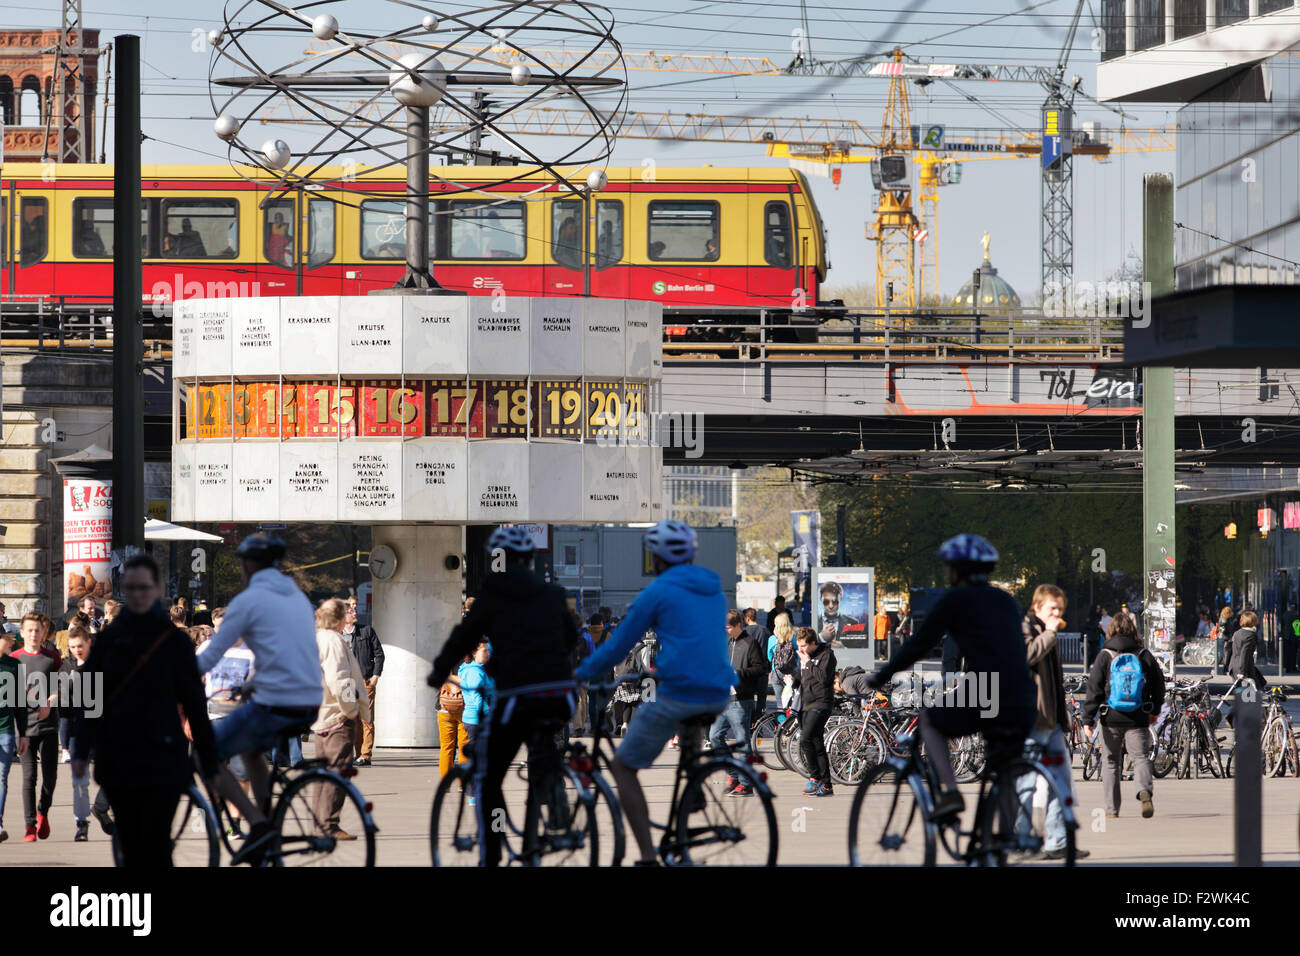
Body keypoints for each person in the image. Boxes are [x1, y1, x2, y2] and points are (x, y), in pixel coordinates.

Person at [574, 520, 734, 866]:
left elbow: (619, 646)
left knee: (622, 766)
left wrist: (582, 673)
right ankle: (693, 789)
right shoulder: (714, 590)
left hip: (682, 692)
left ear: (656, 559)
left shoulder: (657, 593)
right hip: (718, 691)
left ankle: (648, 856)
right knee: (690, 731)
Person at [427, 526, 580, 867]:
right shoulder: (553, 593)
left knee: (490, 774)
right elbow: (571, 639)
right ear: (529, 558)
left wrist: (439, 672)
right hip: (558, 695)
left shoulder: (494, 594)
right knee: (542, 752)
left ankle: (493, 852)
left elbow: (463, 637)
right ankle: (552, 809)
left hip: (518, 697)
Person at [866, 534, 1037, 822]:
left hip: (985, 687)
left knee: (930, 722)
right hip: (1022, 694)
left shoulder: (954, 600)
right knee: (1004, 767)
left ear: (956, 570)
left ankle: (950, 791)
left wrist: (881, 675)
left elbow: (918, 644)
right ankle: (1008, 837)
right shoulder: (1005, 601)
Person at [71, 554, 219, 867]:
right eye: (132, 587)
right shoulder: (109, 639)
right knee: (130, 839)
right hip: (120, 756)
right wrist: (81, 749)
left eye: (144, 587)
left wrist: (208, 757)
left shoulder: (174, 642)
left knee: (156, 841)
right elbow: (92, 696)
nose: (138, 593)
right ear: (125, 589)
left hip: (162, 756)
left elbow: (194, 702)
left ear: (156, 589)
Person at [193, 534, 323, 866]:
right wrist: (253, 682)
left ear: (248, 565)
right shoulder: (297, 597)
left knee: (205, 754)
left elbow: (210, 657)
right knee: (251, 751)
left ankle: (257, 823)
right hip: (308, 701)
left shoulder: (248, 601)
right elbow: (286, 652)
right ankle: (264, 826)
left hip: (275, 702)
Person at [1021, 584, 1088, 860]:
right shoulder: (1026, 627)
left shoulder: (1048, 632)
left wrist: (1063, 719)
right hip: (1030, 718)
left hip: (1050, 720)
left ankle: (1057, 840)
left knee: (1060, 780)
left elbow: (1055, 684)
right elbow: (1025, 656)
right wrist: (1049, 632)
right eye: (1052, 608)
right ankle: (1020, 838)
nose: (1057, 613)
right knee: (1025, 782)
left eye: (1060, 609)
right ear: (1037, 606)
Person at [1083, 610, 1165, 820]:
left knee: (1110, 761)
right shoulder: (1142, 654)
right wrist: (1154, 710)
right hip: (1137, 716)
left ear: (1110, 631)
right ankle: (1144, 791)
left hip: (1110, 717)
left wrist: (1088, 719)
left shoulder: (1105, 655)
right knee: (1140, 757)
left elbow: (1094, 688)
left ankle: (1111, 809)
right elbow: (1158, 684)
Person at [312, 598, 370, 839]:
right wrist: (351, 709)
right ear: (338, 618)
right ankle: (329, 824)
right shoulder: (334, 641)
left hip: (321, 714)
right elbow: (341, 679)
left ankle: (320, 823)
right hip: (337, 715)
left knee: (323, 773)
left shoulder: (317, 638)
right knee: (337, 772)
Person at [196, 619, 256, 839]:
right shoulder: (207, 648)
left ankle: (235, 823)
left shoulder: (251, 653)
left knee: (242, 774)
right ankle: (212, 809)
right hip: (213, 719)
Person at [60, 626, 111, 843]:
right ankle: (82, 824)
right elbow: (64, 706)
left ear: (89, 643)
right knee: (80, 782)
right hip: (77, 733)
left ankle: (100, 807)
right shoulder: (67, 668)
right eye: (72, 647)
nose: (76, 650)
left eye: (80, 646)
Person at [12, 613, 60, 842]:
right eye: (29, 630)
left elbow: (57, 687)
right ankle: (29, 826)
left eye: (37, 630)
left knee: (50, 777)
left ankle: (43, 811)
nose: (33, 634)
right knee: (29, 777)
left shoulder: (52, 658)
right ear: (22, 633)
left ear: (43, 633)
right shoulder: (13, 659)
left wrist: (50, 701)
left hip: (48, 725)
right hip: (24, 729)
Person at [708, 610, 764, 790]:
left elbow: (760, 669)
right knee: (714, 736)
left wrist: (738, 674)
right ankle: (734, 775)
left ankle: (746, 783)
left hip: (741, 699)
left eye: (729, 628)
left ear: (738, 625)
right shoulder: (727, 642)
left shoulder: (750, 643)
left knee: (742, 741)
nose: (726, 631)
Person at [790, 626, 837, 796]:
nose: (800, 649)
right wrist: (793, 682)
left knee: (805, 739)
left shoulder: (827, 655)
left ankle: (814, 778)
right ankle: (827, 785)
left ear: (813, 643)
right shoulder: (804, 657)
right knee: (817, 743)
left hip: (821, 703)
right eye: (798, 645)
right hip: (806, 703)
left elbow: (823, 678)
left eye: (803, 645)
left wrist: (807, 662)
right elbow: (802, 676)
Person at [342, 596, 384, 767]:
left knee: (366, 720)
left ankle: (365, 755)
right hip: (346, 684)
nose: (355, 612)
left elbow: (379, 654)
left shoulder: (367, 631)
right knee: (351, 720)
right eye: (351, 610)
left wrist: (375, 676)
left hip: (365, 682)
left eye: (355, 609)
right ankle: (356, 753)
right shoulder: (338, 635)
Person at [0, 626, 28, 843]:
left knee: (1, 778)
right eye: (7, 639)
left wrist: (24, 733)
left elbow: (20, 702)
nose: (10, 642)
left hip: (6, 730)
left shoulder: (13, 665)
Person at [456, 638, 493, 800]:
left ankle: (476, 790)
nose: (488, 653)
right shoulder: (474, 672)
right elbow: (477, 697)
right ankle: (472, 793)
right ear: (474, 653)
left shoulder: (481, 669)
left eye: (488, 650)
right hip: (477, 719)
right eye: (484, 650)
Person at [1228, 610, 1267, 696]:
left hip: (1235, 666)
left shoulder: (1237, 633)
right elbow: (1244, 653)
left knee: (1244, 692)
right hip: (1244, 668)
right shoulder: (1250, 635)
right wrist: (1242, 671)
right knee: (1252, 693)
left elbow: (1232, 650)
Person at [769, 612, 797, 706]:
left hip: (777, 672)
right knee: (794, 701)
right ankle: (792, 720)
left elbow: (769, 656)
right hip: (792, 671)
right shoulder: (794, 638)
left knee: (780, 703)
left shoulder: (772, 639)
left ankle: (782, 719)